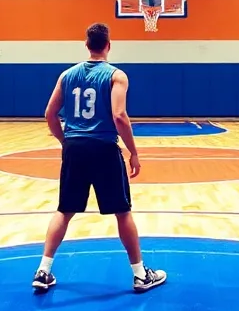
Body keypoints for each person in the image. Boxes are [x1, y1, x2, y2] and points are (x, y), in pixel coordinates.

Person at [31, 23, 166, 294]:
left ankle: (43, 270)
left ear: (86, 44)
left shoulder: (67, 75)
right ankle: (140, 275)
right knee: (122, 211)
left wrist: (65, 141)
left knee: (65, 210)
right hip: (103, 148)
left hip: (75, 148)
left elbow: (49, 113)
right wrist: (134, 152)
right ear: (109, 45)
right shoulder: (116, 76)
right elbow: (119, 116)